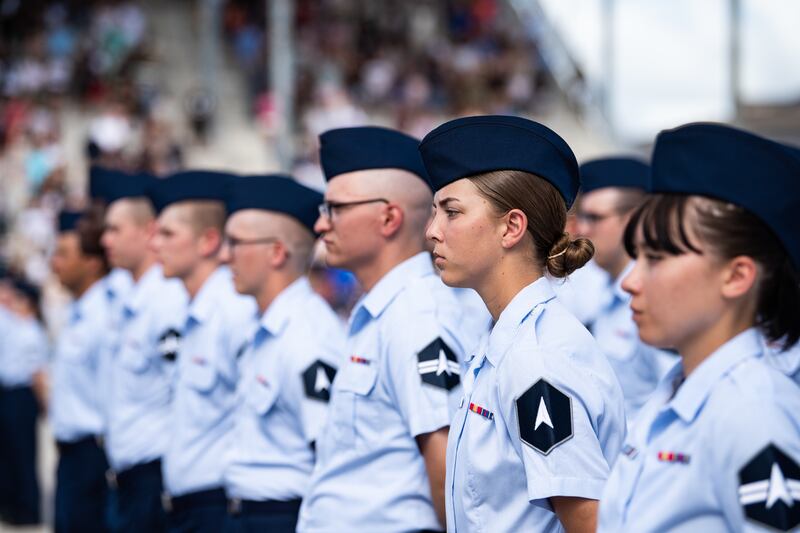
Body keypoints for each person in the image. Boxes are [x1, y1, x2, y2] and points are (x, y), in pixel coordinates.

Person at [419, 115, 627, 532]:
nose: (431, 232)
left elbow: (590, 522)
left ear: (511, 227)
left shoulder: (536, 359)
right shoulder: (510, 337)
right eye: (434, 213)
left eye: (452, 212)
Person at [597, 123, 800, 532]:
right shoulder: (679, 390)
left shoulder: (752, 415)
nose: (631, 281)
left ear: (736, 276)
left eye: (656, 258)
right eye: (637, 257)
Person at [298, 126, 475, 532]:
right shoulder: (386, 311)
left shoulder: (415, 316)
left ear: (389, 217)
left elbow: (445, 459)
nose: (321, 226)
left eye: (334, 209)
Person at [220, 174, 344, 532]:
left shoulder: (307, 335)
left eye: (236, 243)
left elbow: (329, 452)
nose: (225, 255)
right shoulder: (264, 326)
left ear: (276, 252)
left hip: (283, 515)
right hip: (249, 512)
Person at [147, 170, 256, 532]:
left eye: (167, 234)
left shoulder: (233, 311)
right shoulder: (192, 308)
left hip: (218, 504)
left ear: (209, 241)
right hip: (186, 503)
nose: (155, 245)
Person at [100, 170, 188, 533]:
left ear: (148, 231)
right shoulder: (131, 298)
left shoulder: (166, 301)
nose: (105, 241)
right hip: (127, 472)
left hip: (154, 474)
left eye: (115, 229)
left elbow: (179, 392)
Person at [575, 157, 677, 424]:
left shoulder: (658, 296)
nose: (583, 230)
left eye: (594, 218)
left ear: (633, 220)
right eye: (582, 216)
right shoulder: (602, 291)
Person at [49, 209, 114, 532]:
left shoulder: (104, 316)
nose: (54, 262)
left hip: (94, 454)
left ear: (92, 263)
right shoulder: (78, 310)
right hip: (72, 454)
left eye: (63, 254)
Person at [0, 274, 48, 526]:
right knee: (9, 454)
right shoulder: (17, 325)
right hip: (8, 393)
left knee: (24, 455)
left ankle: (29, 511)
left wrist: (45, 406)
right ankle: (13, 507)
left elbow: (38, 374)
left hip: (22, 395)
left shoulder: (31, 330)